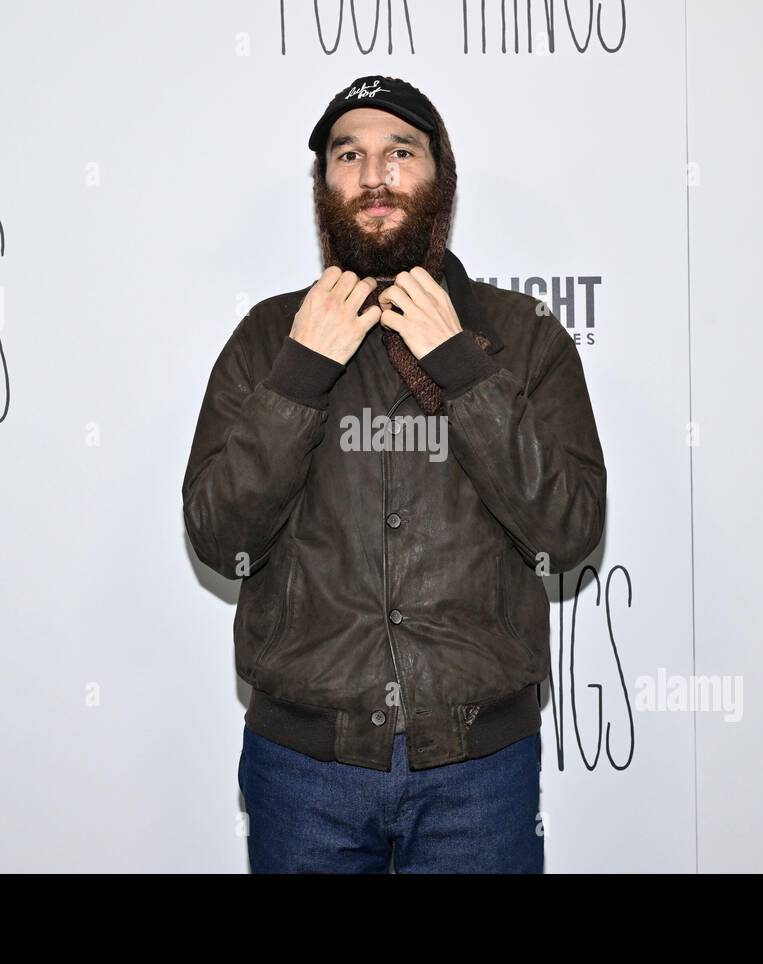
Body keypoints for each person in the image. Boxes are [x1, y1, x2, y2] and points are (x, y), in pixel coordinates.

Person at [182, 75, 606, 873]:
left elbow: (570, 529)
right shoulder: (269, 337)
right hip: (305, 771)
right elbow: (218, 533)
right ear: (325, 186)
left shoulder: (523, 335)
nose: (374, 176)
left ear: (439, 177)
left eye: (399, 152)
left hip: (478, 773)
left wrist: (463, 369)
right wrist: (300, 376)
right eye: (350, 156)